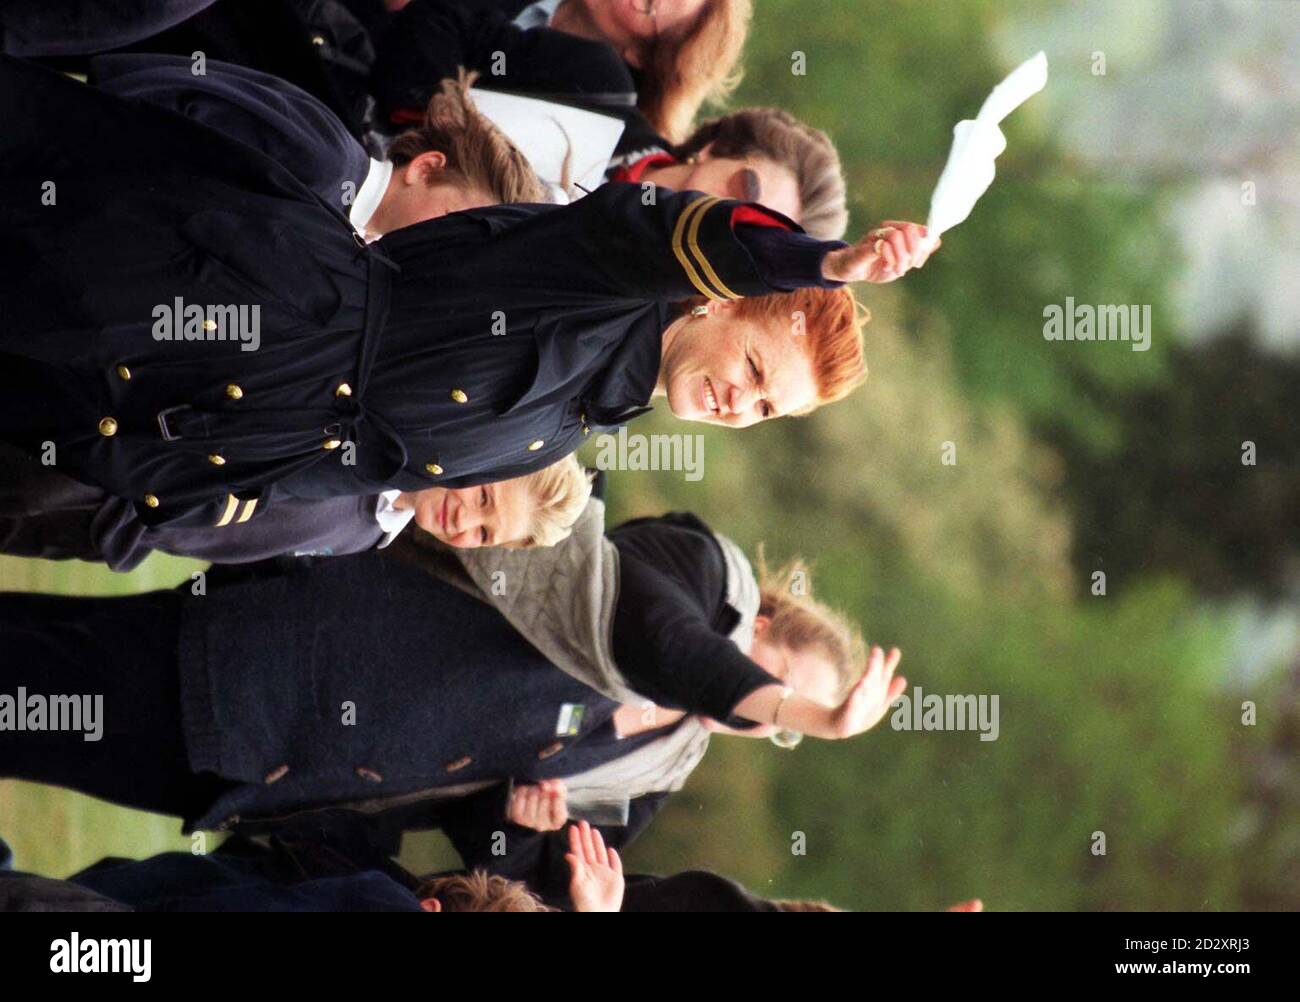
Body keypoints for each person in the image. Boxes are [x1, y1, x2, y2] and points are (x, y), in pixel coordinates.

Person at [0, 52, 933, 531]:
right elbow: (667, 230)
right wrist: (825, 266)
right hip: (237, 303)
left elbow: (364, 466)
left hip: (198, 424)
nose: (744, 402)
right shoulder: (614, 275)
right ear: (721, 300)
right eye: (759, 369)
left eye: (767, 409)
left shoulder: (576, 427)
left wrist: (226, 480)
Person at [0, 510, 902, 845]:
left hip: (266, 776)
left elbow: (511, 859)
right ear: (764, 621)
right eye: (774, 682)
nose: (752, 715)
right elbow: (658, 640)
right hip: (259, 671)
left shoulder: (661, 762)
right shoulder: (697, 572)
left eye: (784, 727)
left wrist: (521, 825)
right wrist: (807, 715)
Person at [0, 447, 591, 569]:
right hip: (99, 476)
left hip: (103, 539)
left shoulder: (368, 539)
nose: (465, 521)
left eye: (485, 534)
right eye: (483, 497)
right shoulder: (360, 449)